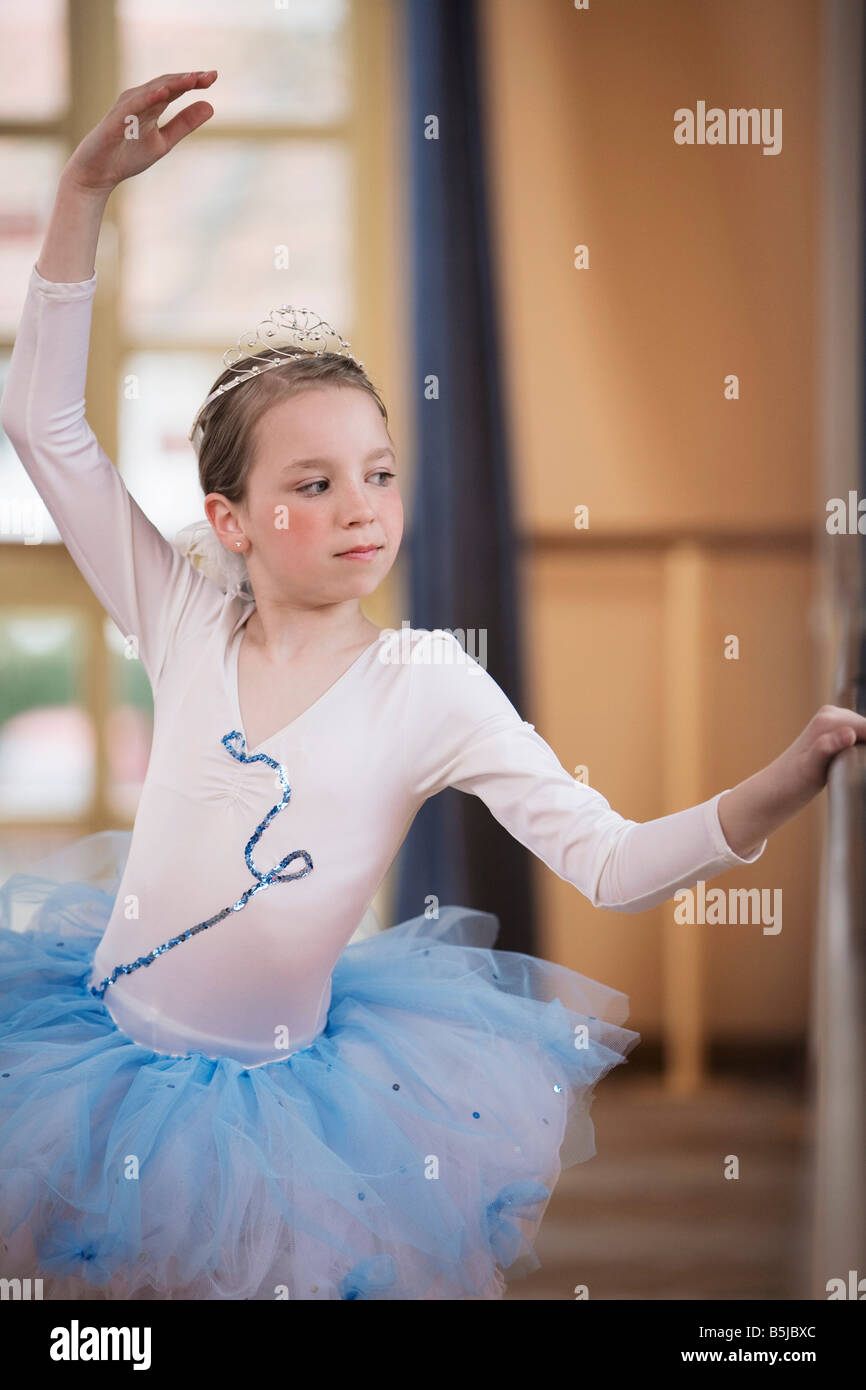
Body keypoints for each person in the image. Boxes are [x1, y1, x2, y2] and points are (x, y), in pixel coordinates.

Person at [0, 71, 861, 1302]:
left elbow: (609, 862)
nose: (359, 506)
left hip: (295, 1125)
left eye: (378, 472)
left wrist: (785, 781)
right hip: (101, 1069)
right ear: (227, 520)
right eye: (310, 483)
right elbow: (44, 428)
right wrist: (82, 190)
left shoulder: (427, 683)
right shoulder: (182, 619)